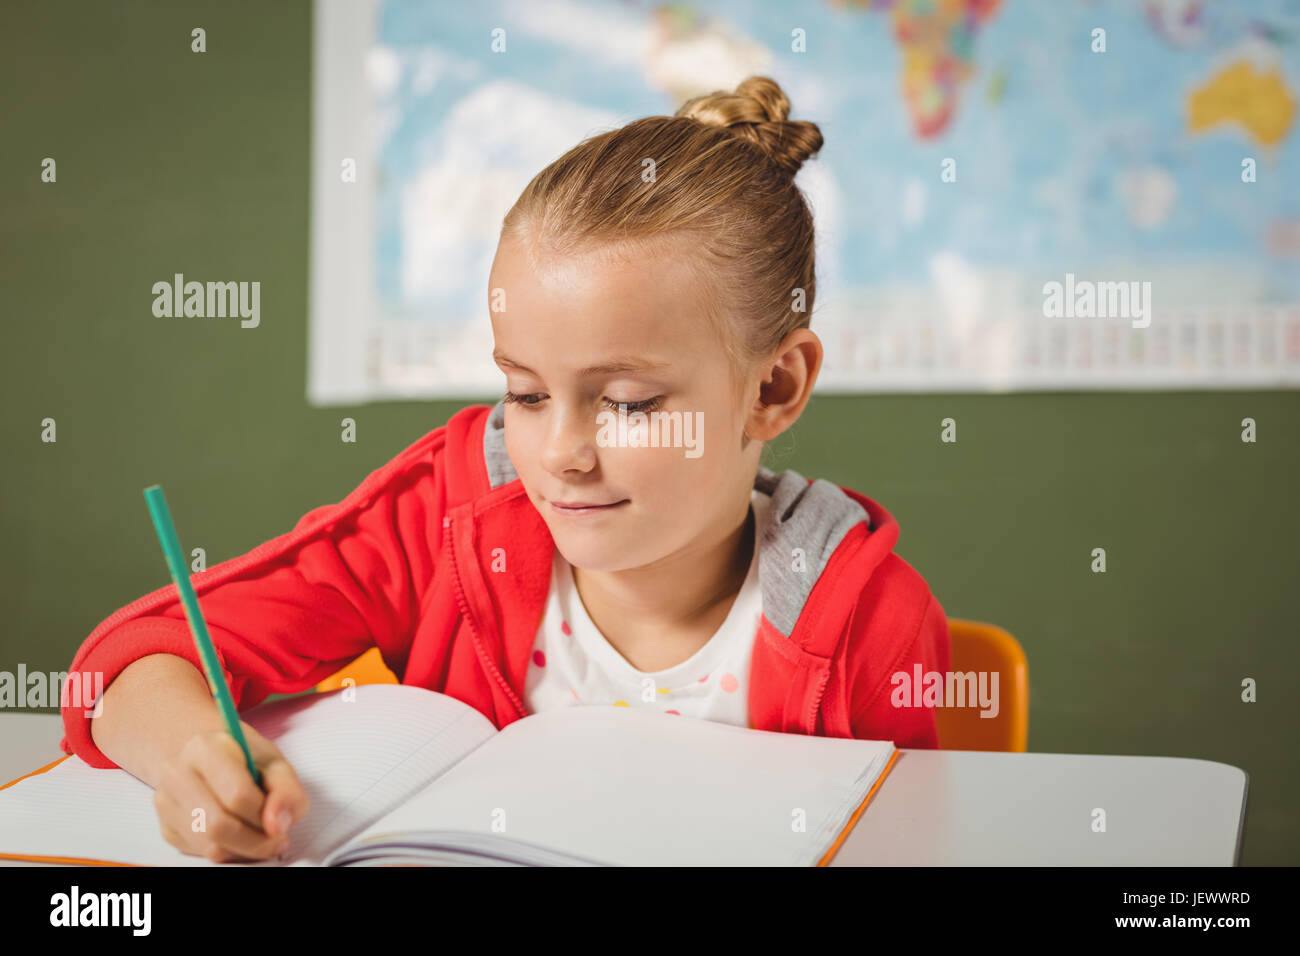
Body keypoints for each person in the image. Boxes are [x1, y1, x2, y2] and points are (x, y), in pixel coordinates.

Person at [61, 75, 950, 863]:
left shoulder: (868, 625)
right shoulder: (444, 516)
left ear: (774, 387)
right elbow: (124, 667)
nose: (561, 451)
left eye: (630, 402)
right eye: (524, 393)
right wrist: (197, 762)